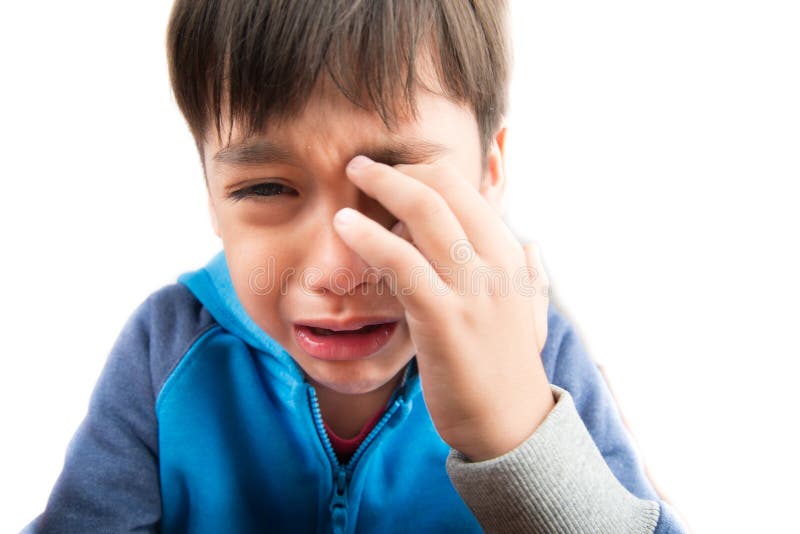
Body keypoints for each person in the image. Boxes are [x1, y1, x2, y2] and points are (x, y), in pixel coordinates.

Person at [24, 1, 687, 532]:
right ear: (210, 196)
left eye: (395, 187)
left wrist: (517, 437)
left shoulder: (537, 355)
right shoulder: (164, 354)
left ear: (489, 177)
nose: (338, 271)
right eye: (265, 189)